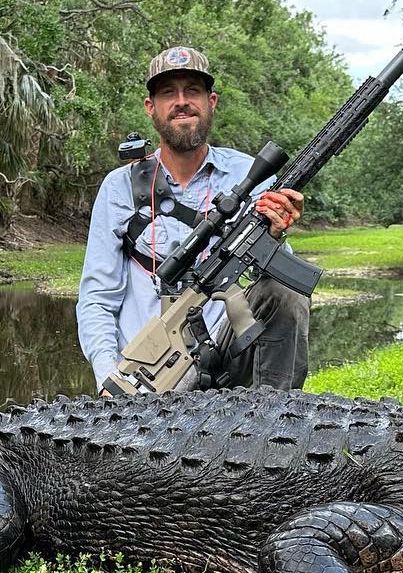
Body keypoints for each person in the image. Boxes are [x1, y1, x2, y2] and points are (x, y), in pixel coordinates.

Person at [77, 45, 309, 393]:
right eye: (168, 92)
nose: (181, 101)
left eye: (193, 91)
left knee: (287, 289)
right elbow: (97, 296)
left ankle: (276, 416)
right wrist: (109, 377)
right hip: (153, 372)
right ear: (150, 107)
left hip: (230, 353)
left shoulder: (249, 173)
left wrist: (275, 237)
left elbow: (276, 289)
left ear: (211, 101)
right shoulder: (119, 187)